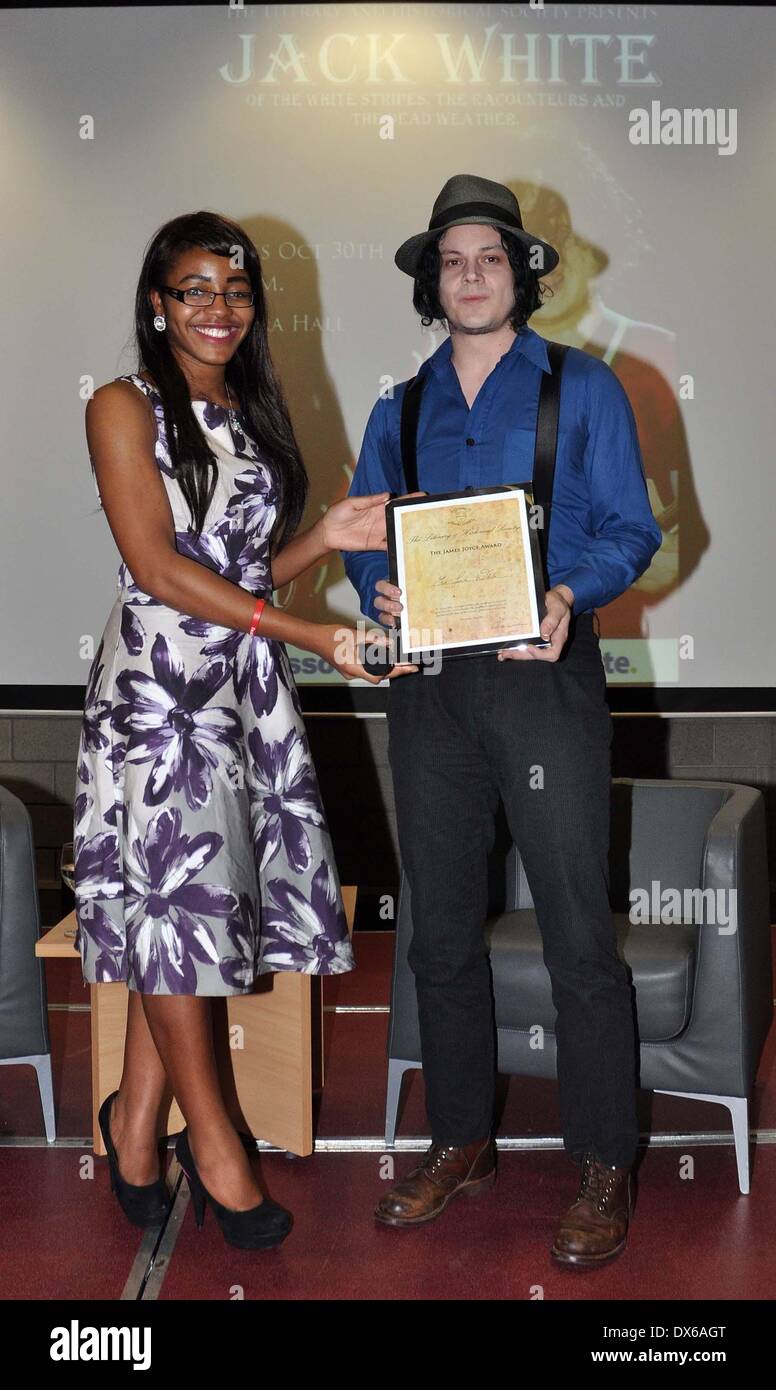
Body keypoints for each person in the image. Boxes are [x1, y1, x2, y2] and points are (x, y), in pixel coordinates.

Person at [73, 210, 414, 1250]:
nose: (217, 307)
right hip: (161, 700)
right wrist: (315, 631)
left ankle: (135, 1122)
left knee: (175, 908)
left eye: (233, 287)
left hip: (239, 684)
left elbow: (239, 569)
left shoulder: (252, 413)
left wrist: (326, 536)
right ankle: (213, 1144)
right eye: (193, 288)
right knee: (175, 913)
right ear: (155, 301)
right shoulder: (123, 407)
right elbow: (161, 569)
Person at [343, 174, 663, 1269]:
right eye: (450, 260)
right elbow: (359, 531)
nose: (469, 274)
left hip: (545, 680)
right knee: (438, 933)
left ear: (522, 274)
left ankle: (603, 1158)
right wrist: (375, 587)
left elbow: (631, 529)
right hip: (432, 689)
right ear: (431, 286)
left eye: (488, 256)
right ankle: (460, 1138)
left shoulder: (585, 386)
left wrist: (569, 595)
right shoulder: (400, 405)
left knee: (579, 933)